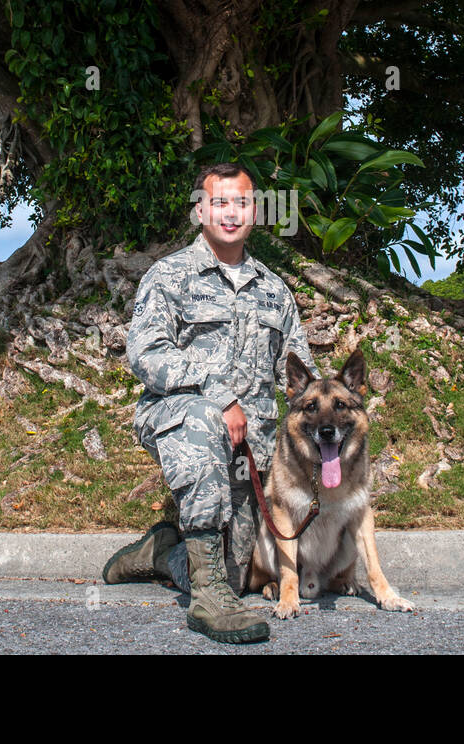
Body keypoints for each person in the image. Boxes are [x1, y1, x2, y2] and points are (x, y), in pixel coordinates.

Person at [103, 162, 319, 643]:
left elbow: (302, 377)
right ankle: (207, 604)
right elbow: (146, 352)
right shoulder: (170, 276)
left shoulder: (274, 290)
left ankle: (161, 553)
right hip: (181, 418)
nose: (230, 212)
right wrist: (219, 396)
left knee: (237, 572)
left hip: (252, 449)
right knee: (206, 417)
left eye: (240, 202)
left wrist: (319, 436)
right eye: (219, 202)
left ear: (256, 211)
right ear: (201, 209)